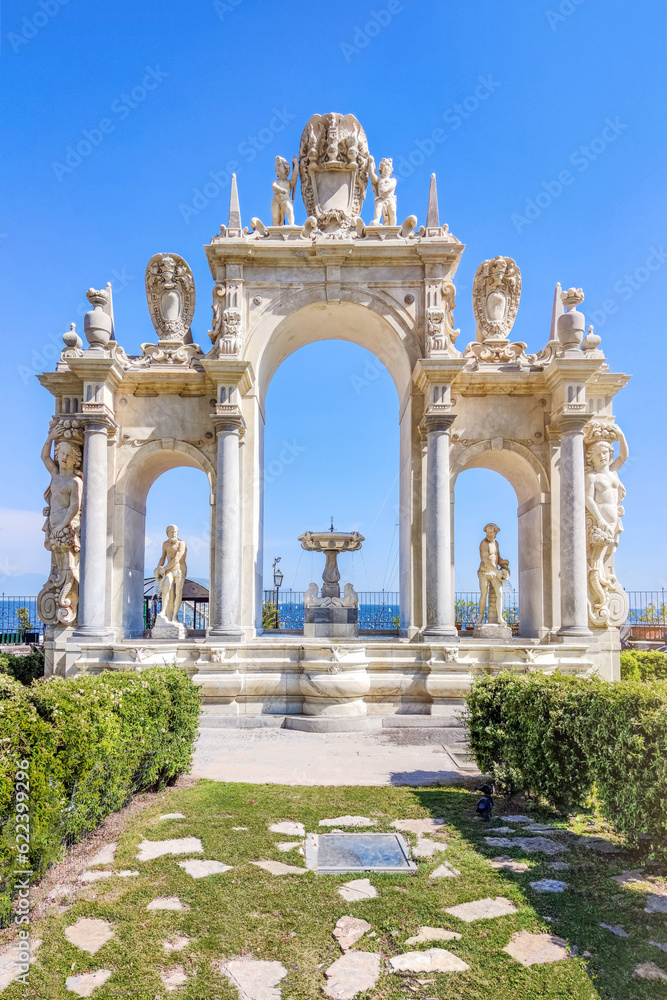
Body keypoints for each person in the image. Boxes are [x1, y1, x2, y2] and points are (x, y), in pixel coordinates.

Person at [476, 522, 510, 625]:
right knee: (484, 594)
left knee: (499, 593)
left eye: (491, 533)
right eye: (488, 533)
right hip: (484, 572)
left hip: (495, 571)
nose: (489, 535)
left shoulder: (496, 543)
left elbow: (497, 559)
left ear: (495, 533)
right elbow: (486, 560)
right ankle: (481, 617)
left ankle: (500, 618)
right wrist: (497, 571)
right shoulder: (483, 543)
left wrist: (504, 562)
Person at [154, 525, 187, 622]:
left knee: (178, 592)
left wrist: (164, 568)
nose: (174, 534)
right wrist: (159, 569)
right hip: (169, 570)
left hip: (180, 570)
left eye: (175, 532)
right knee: (166, 587)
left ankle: (175, 615)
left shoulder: (181, 544)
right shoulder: (165, 544)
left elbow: (177, 559)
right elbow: (163, 557)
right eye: (171, 532)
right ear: (167, 533)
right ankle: (164, 611)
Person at [368, 156, 397, 226]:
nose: (388, 168)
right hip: (381, 199)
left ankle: (393, 226)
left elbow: (392, 185)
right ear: (381, 168)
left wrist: (386, 188)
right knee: (378, 206)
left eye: (389, 167)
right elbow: (372, 176)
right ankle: (376, 221)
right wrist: (371, 163)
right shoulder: (379, 179)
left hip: (390, 199)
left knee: (392, 211)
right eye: (386, 165)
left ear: (391, 171)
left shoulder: (392, 180)